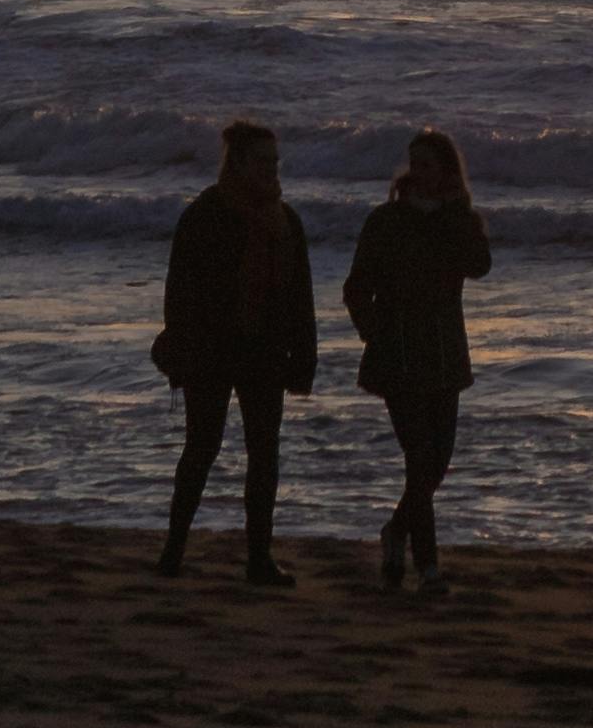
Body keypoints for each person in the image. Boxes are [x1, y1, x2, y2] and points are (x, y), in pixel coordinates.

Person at [154, 117, 318, 587]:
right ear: (238, 163)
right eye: (262, 161)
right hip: (211, 350)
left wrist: (305, 357)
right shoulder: (205, 215)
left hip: (266, 350)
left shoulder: (286, 221)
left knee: (264, 454)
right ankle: (173, 551)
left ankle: (259, 559)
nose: (271, 169)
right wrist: (181, 348)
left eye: (275, 161)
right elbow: (179, 291)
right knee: (201, 449)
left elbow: (300, 296)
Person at [344, 122, 493, 598]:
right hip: (397, 358)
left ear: (446, 171)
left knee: (436, 465)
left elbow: (480, 265)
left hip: (445, 355)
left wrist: (454, 214)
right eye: (414, 164)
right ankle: (427, 568)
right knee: (419, 460)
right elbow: (356, 288)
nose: (417, 172)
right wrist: (375, 333)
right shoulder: (386, 221)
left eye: (427, 164)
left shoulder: (458, 219)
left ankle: (395, 530)